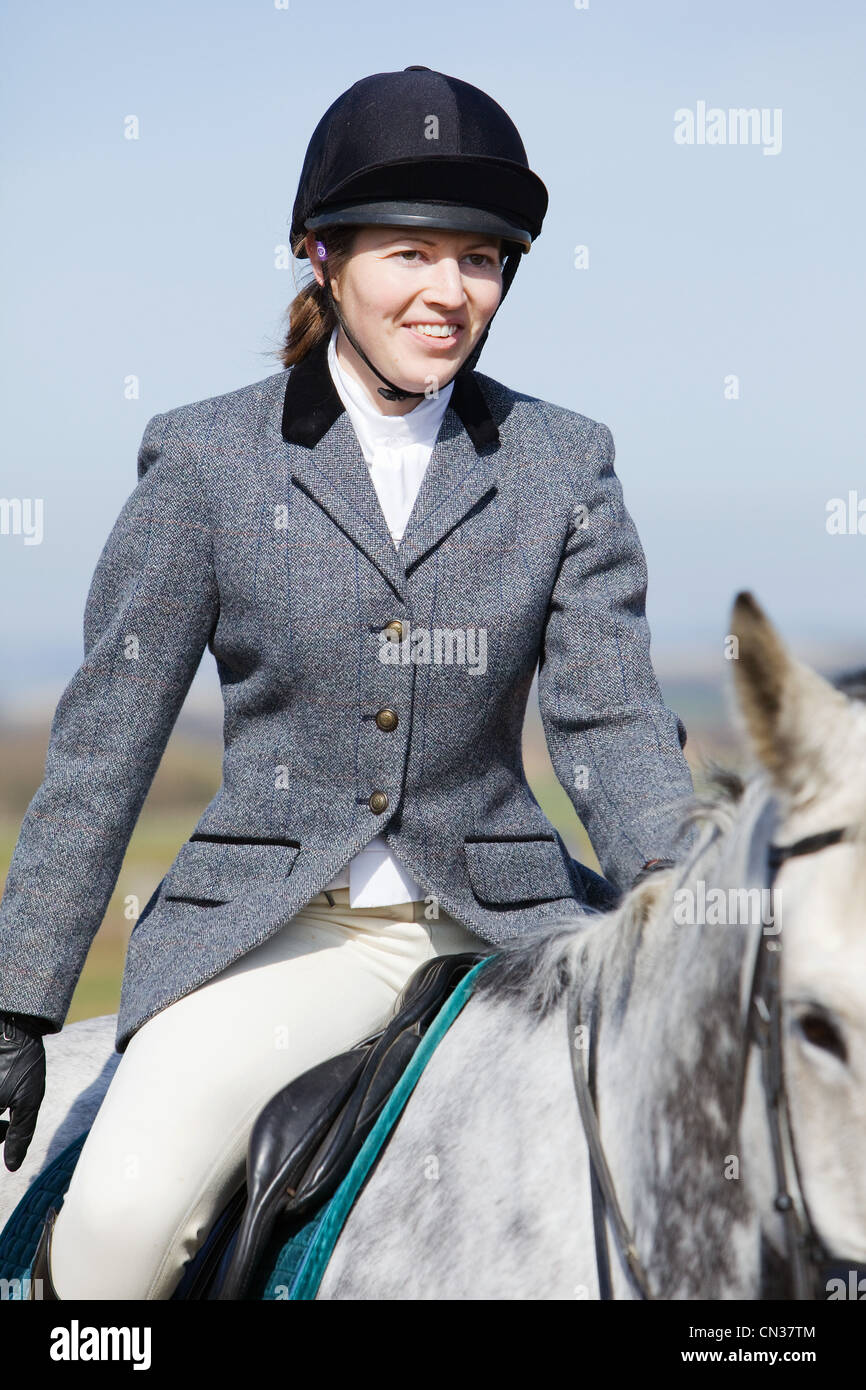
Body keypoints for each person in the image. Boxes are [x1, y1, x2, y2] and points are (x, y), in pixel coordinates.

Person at [0, 66, 695, 1299]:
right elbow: (108, 742)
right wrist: (18, 999)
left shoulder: (562, 462)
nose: (449, 292)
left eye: (479, 260)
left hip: (511, 930)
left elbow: (611, 725)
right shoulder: (206, 460)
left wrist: (682, 919)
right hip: (278, 930)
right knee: (112, 1229)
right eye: (412, 253)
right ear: (320, 255)